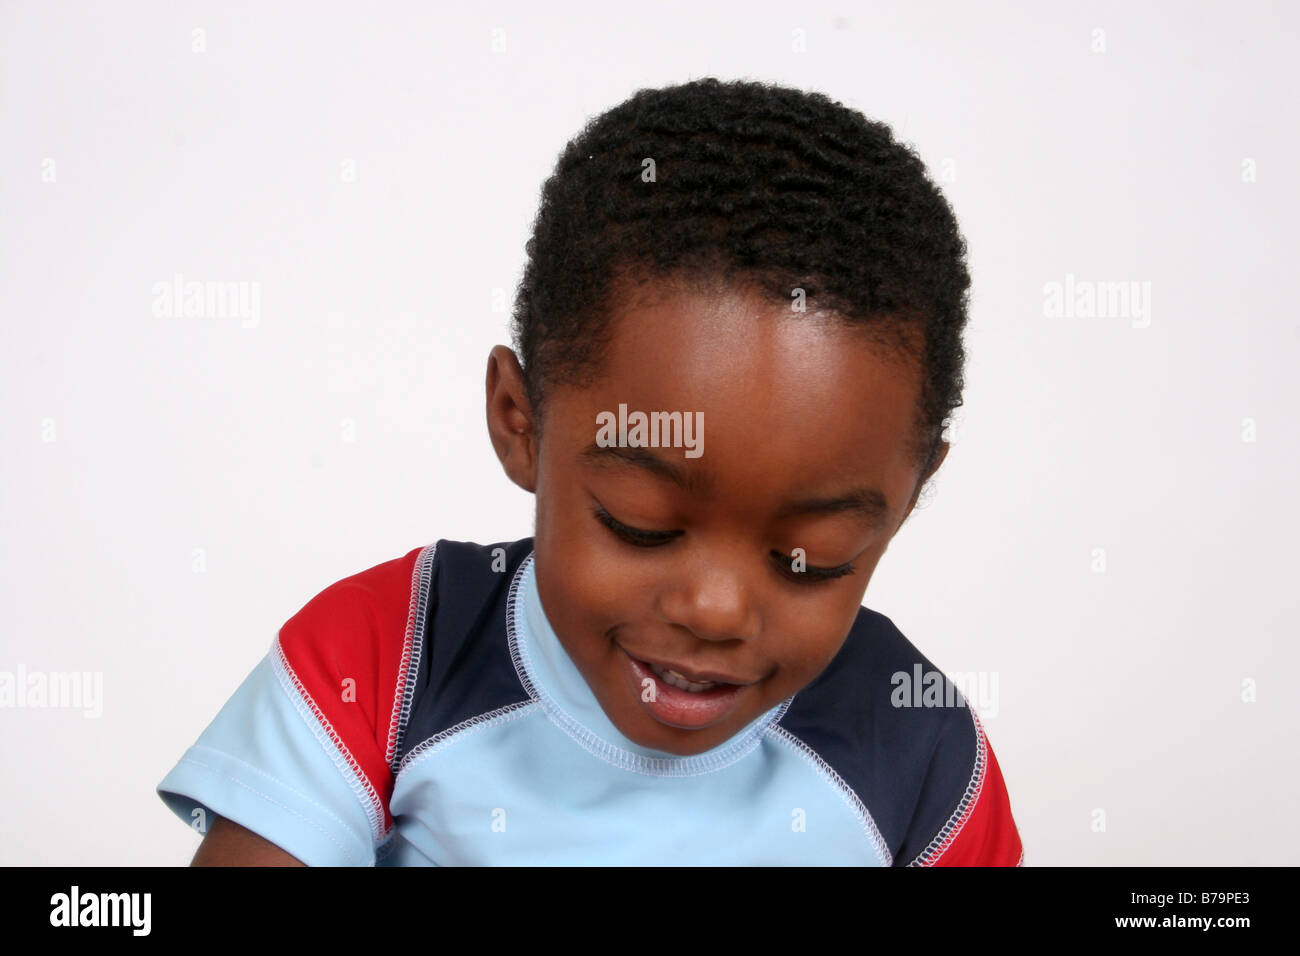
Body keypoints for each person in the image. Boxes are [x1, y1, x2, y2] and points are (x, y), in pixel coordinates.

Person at [156, 76, 1024, 866]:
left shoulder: (922, 752)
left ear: (908, 501)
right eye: (640, 522)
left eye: (815, 554)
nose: (716, 610)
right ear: (520, 422)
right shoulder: (385, 657)